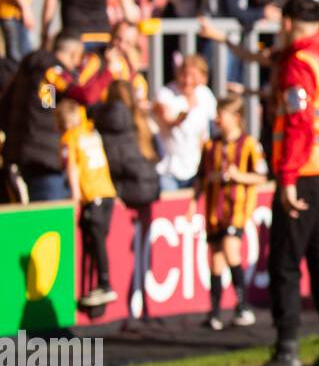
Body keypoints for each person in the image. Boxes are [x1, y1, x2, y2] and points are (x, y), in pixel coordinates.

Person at [240, 0, 319, 366]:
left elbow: (297, 123)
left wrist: (286, 177)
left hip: (303, 173)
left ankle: (286, 352)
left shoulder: (299, 62)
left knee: (285, 263)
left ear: (289, 23)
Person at [0, 32, 117, 201]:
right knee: (47, 217)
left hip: (21, 152)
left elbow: (41, 105)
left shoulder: (30, 71)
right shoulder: (52, 71)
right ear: (74, 53)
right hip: (45, 158)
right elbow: (85, 95)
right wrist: (108, 73)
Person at [190, 95, 266, 329]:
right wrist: (193, 203)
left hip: (236, 210)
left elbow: (261, 175)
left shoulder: (249, 145)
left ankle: (242, 306)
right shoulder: (210, 145)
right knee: (215, 261)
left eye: (220, 115)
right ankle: (214, 312)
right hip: (214, 211)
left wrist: (238, 176)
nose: (216, 119)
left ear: (235, 118)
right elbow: (201, 178)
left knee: (231, 251)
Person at [92, 78, 161, 321]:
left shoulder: (103, 121)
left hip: (125, 190)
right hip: (147, 188)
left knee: (123, 253)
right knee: (142, 254)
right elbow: (158, 153)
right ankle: (142, 308)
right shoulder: (140, 119)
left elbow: (113, 159)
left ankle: (130, 309)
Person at [57, 97, 117, 307]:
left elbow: (72, 169)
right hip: (107, 191)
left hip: (92, 194)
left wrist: (74, 198)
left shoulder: (69, 138)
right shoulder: (90, 132)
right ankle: (95, 286)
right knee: (97, 239)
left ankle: (104, 284)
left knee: (96, 239)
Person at [153, 54, 217, 191]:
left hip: (197, 170)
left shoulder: (205, 95)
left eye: (193, 76)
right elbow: (167, 118)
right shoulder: (166, 94)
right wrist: (180, 117)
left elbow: (209, 130)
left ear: (203, 78)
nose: (188, 81)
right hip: (169, 170)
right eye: (184, 75)